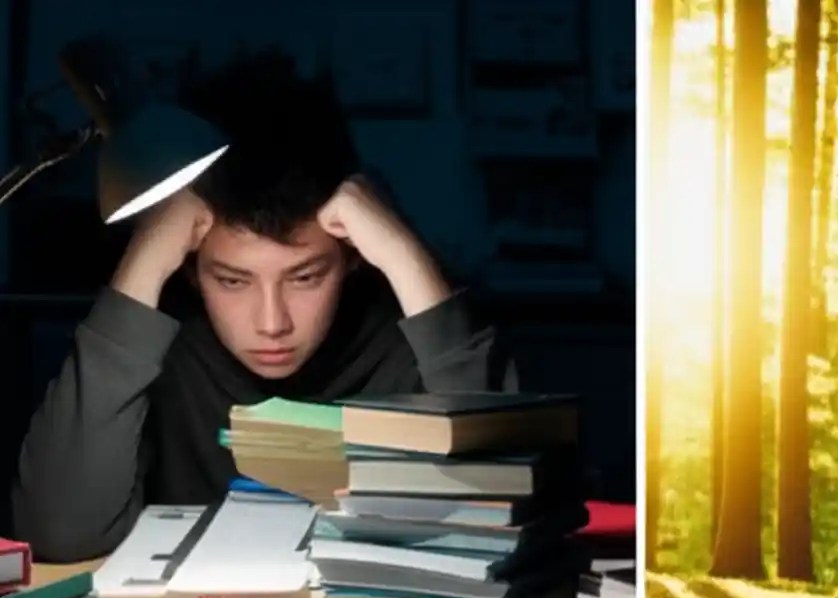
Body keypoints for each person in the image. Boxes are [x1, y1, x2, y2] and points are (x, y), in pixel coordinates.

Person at [11, 51, 515, 563]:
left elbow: (507, 515)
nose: (272, 323)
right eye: (232, 280)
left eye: (306, 276)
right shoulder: (161, 349)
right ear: (188, 262)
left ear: (354, 256)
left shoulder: (409, 343)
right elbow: (58, 534)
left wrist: (406, 257)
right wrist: (145, 255)